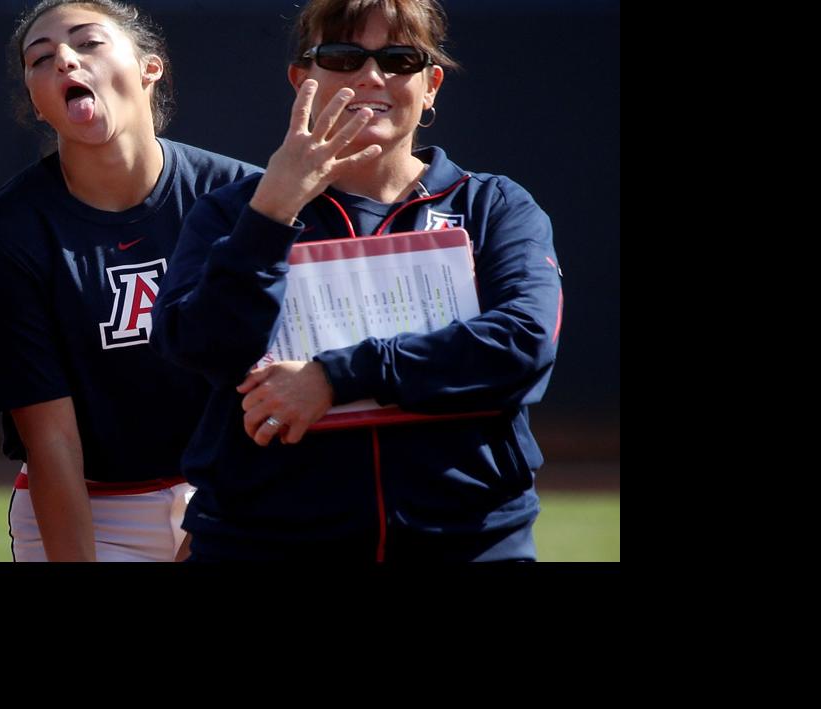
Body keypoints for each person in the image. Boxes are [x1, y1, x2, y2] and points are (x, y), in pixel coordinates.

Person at [154, 0, 563, 562]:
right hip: (267, 541)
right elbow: (201, 348)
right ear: (303, 79)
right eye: (344, 56)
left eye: (399, 58)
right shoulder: (234, 213)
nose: (372, 76)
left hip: (466, 540)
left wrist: (334, 378)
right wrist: (271, 215)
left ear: (431, 85)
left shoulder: (493, 206)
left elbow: (522, 344)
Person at [0, 0, 257, 562]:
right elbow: (52, 443)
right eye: (40, 59)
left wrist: (216, 521)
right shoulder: (8, 235)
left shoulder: (240, 199)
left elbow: (266, 380)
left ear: (150, 66)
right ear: (37, 103)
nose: (66, 61)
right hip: (96, 511)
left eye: (89, 42)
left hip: (236, 494)